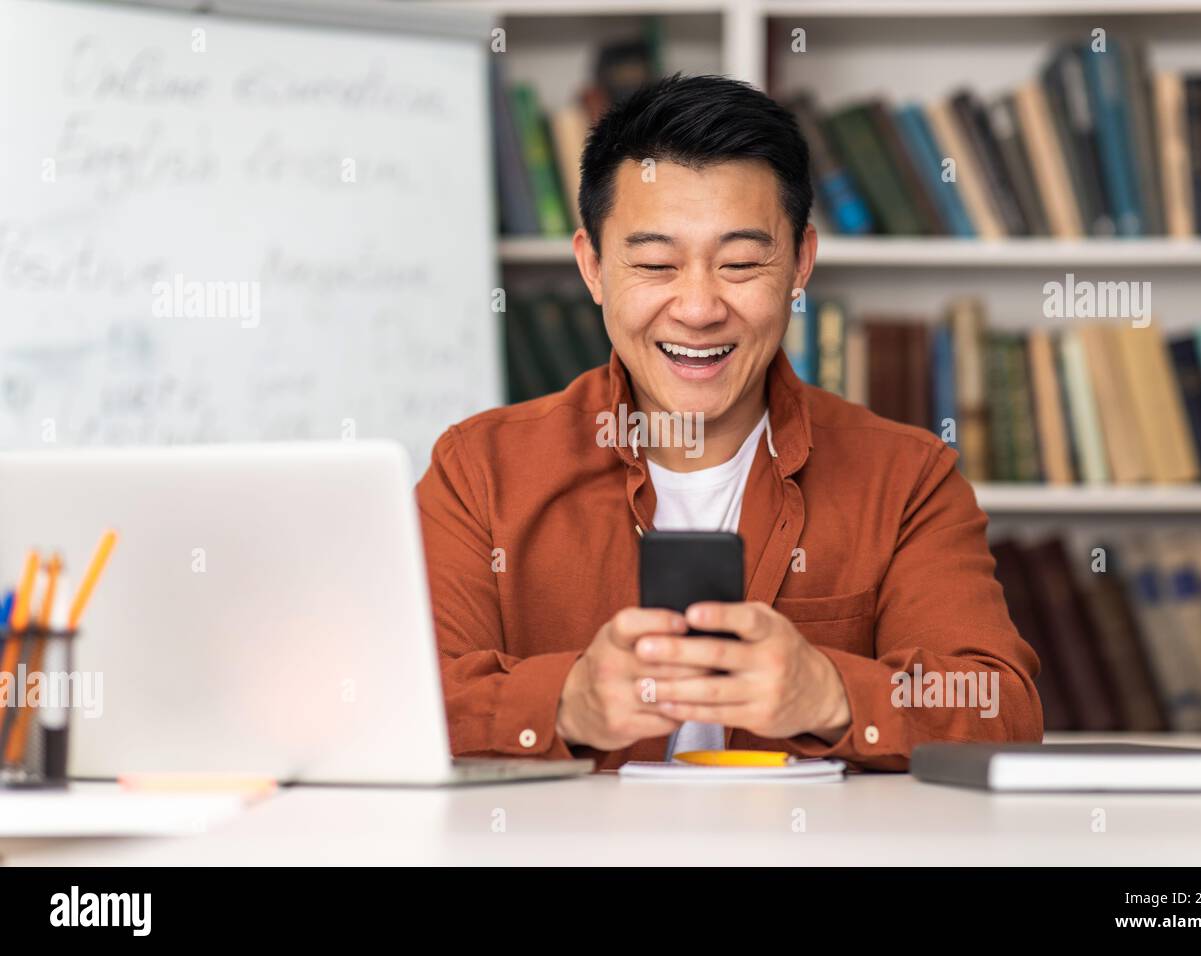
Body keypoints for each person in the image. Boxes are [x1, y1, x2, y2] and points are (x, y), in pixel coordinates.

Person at [416, 74, 1042, 770]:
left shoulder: (906, 478)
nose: (698, 307)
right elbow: (397, 706)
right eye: (655, 263)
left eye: (741, 263)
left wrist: (832, 693)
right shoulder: (478, 472)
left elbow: (999, 708)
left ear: (800, 263)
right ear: (592, 267)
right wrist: (566, 704)